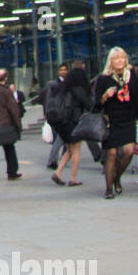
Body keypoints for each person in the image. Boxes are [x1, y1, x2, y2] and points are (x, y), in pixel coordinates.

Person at [94, 46, 138, 199]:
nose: (120, 61)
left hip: (128, 119)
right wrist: (105, 96)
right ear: (111, 61)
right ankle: (109, 189)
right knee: (112, 153)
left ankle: (117, 177)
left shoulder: (131, 76)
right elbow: (95, 105)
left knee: (130, 151)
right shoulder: (103, 79)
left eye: (122, 58)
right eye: (117, 58)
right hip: (111, 120)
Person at [49, 60, 92, 188]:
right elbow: (89, 105)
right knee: (76, 149)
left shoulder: (63, 87)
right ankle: (73, 178)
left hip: (61, 122)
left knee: (69, 149)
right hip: (73, 121)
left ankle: (58, 172)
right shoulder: (78, 89)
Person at [0, 69, 24, 180]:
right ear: (6, 78)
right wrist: (18, 126)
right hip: (5, 124)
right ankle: (12, 172)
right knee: (9, 149)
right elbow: (14, 109)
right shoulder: (6, 91)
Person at [39, 63, 69, 168]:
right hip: (57, 115)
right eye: (61, 70)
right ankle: (53, 160)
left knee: (65, 139)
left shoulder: (69, 83)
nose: (63, 72)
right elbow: (47, 100)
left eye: (65, 70)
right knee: (60, 138)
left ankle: (58, 159)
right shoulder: (53, 84)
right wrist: (48, 113)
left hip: (67, 113)